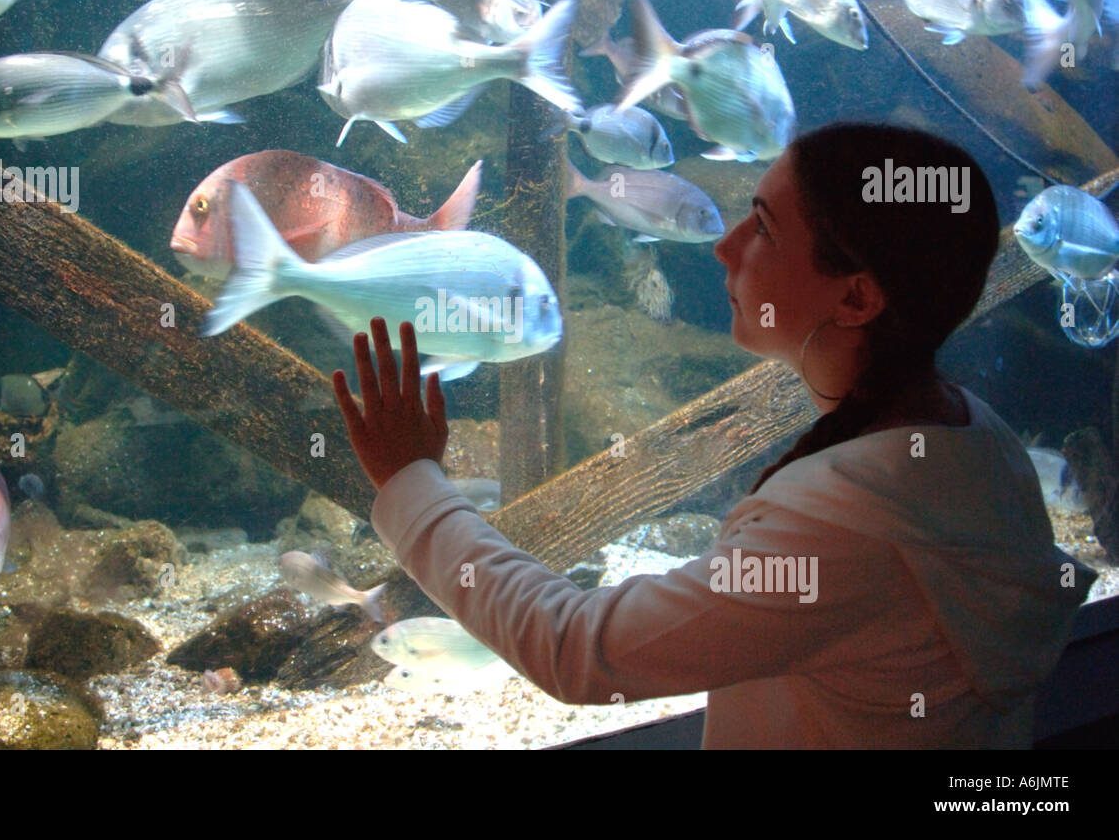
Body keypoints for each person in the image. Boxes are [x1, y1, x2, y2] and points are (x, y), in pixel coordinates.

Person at [331, 123, 1097, 748]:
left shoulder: (838, 527)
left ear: (857, 295)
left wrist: (412, 485)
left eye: (762, 226)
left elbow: (578, 648)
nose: (725, 247)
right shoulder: (981, 439)